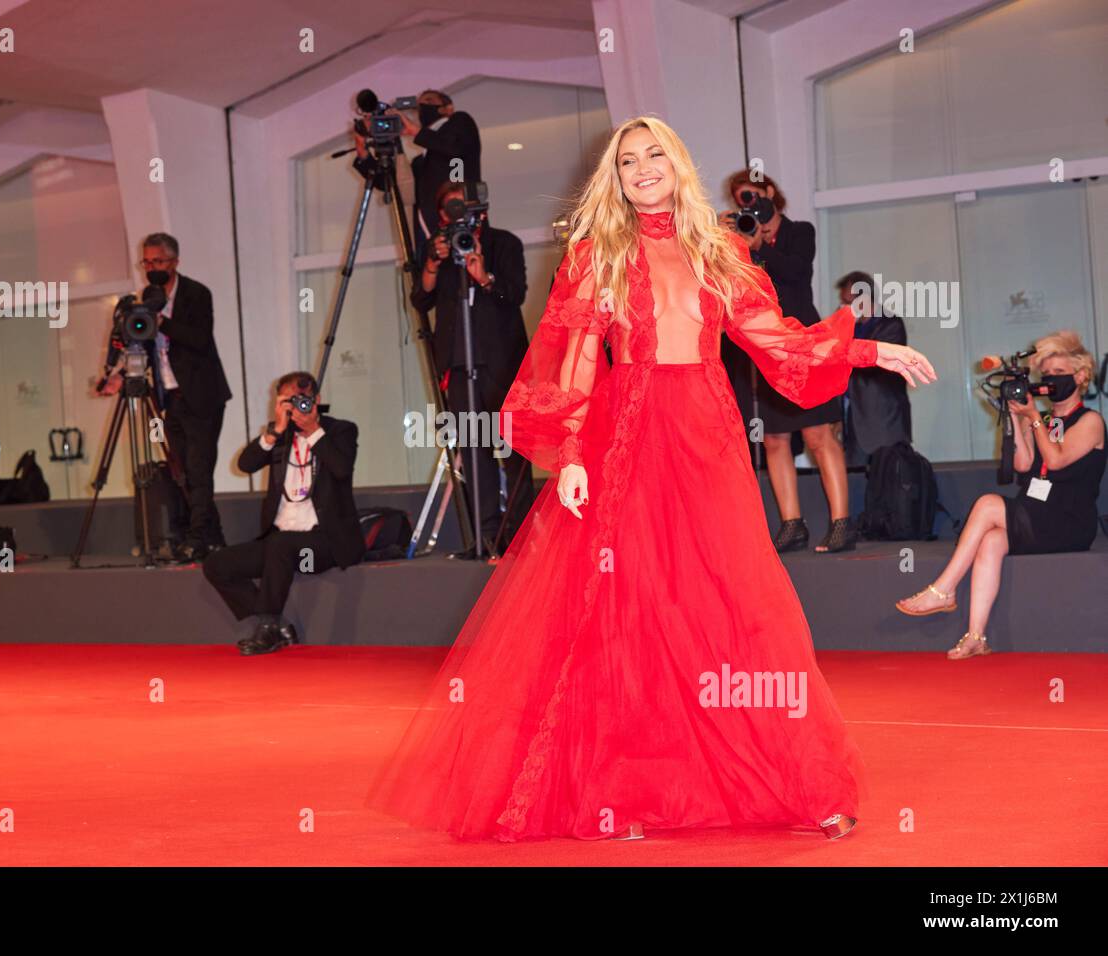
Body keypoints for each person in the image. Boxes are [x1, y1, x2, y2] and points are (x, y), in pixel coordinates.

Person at [366, 116, 935, 842]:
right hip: (625, 435)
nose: (641, 168)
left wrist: (868, 353)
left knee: (740, 604)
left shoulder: (721, 249)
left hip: (706, 435)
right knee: (626, 609)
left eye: (653, 154)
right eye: (628, 159)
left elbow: (777, 344)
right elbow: (571, 357)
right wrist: (567, 456)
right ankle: (623, 791)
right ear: (617, 176)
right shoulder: (595, 251)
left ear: (678, 164)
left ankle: (800, 786)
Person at [896, 331, 1104, 659]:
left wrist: (1034, 418)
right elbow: (1024, 464)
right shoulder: (1049, 421)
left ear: (1080, 376)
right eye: (1046, 375)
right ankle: (977, 635)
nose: (1050, 381)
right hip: (1036, 513)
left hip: (1067, 520)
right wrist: (1019, 421)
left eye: (1059, 374)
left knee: (988, 504)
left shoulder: (1091, 421)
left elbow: (1057, 460)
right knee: (992, 540)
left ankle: (944, 589)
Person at [719, 172, 853, 553]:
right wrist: (733, 244)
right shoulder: (738, 239)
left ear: (769, 192)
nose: (747, 204)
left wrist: (761, 246)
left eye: (750, 195)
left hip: (804, 341)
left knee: (817, 435)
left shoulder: (800, 232)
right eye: (738, 199)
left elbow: (797, 273)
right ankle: (792, 524)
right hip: (765, 349)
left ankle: (842, 523)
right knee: (775, 438)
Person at [411, 182, 536, 555]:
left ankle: (519, 539)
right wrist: (432, 262)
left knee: (514, 451)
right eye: (449, 208)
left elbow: (515, 294)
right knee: (474, 450)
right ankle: (484, 538)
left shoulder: (504, 243)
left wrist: (484, 276)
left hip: (502, 362)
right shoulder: (439, 248)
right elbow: (421, 298)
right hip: (459, 365)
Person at [203, 372, 365, 656]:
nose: (296, 407)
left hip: (320, 548)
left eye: (302, 400)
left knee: (281, 546)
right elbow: (245, 464)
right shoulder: (279, 435)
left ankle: (267, 631)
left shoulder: (340, 431)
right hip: (281, 544)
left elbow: (341, 469)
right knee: (218, 564)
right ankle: (277, 626)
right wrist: (274, 431)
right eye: (288, 401)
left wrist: (314, 430)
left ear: (317, 400)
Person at [140, 233, 233, 562]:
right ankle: (214, 538)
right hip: (170, 398)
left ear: (175, 262)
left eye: (159, 261)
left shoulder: (196, 294)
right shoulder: (147, 296)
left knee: (198, 468)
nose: (152, 268)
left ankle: (195, 539)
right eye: (147, 262)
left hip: (202, 396)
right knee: (182, 471)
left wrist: (162, 322)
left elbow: (199, 339)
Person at [353, 89, 482, 254]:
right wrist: (362, 149)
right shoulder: (420, 164)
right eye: (420, 106)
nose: (422, 107)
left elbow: (454, 148)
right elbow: (389, 185)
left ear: (448, 108)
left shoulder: (460, 121)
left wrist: (416, 132)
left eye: (428, 101)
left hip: (464, 232)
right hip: (430, 240)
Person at [836, 271, 912, 465]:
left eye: (847, 302)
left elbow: (871, 363)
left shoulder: (890, 325)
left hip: (884, 425)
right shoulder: (847, 329)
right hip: (853, 423)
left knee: (889, 483)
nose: (842, 308)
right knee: (857, 485)